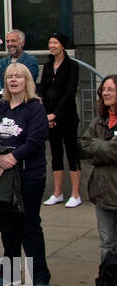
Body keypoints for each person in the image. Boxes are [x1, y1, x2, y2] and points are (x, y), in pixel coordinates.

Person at [0, 63, 51, 286]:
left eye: (18, 77)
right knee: (8, 228)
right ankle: (9, 273)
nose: (13, 80)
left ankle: (40, 278)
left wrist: (12, 157)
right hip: (1, 177)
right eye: (9, 77)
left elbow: (35, 140)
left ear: (27, 81)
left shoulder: (34, 108)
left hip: (28, 176)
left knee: (29, 227)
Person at [39, 32, 81, 207]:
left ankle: (75, 193)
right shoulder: (48, 66)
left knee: (72, 151)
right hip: (50, 117)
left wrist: (56, 114)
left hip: (67, 116)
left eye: (55, 42)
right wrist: (47, 115)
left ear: (62, 45)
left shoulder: (72, 66)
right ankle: (57, 192)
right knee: (56, 153)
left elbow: (69, 93)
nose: (52, 45)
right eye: (50, 42)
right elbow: (43, 89)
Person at [80, 75, 117, 262]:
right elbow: (85, 146)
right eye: (103, 89)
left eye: (111, 89)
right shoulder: (98, 121)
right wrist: (106, 146)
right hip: (102, 191)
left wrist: (98, 147)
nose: (105, 93)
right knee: (107, 243)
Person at [0, 30, 39, 98]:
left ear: (22, 43)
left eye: (13, 41)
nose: (10, 44)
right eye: (8, 41)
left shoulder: (31, 61)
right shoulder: (1, 63)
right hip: (4, 103)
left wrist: (1, 93)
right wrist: (1, 93)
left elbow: (27, 87)